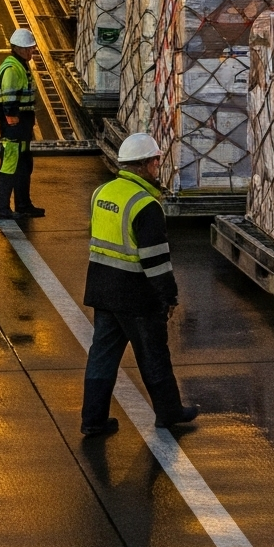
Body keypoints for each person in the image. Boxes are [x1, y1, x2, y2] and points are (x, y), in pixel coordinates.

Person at [81, 132, 198, 438]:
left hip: (102, 289)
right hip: (135, 295)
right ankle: (169, 412)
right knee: (153, 353)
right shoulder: (146, 205)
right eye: (156, 161)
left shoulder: (102, 193)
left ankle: (93, 420)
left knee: (102, 356)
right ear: (146, 165)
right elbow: (156, 261)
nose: (158, 166)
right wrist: (168, 296)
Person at [0, 26, 44, 221]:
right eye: (30, 48)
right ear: (19, 48)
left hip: (22, 125)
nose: (32, 51)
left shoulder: (20, 65)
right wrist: (13, 121)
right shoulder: (13, 68)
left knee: (23, 165)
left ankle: (23, 205)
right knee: (10, 165)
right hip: (14, 125)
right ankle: (3, 209)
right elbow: (8, 98)